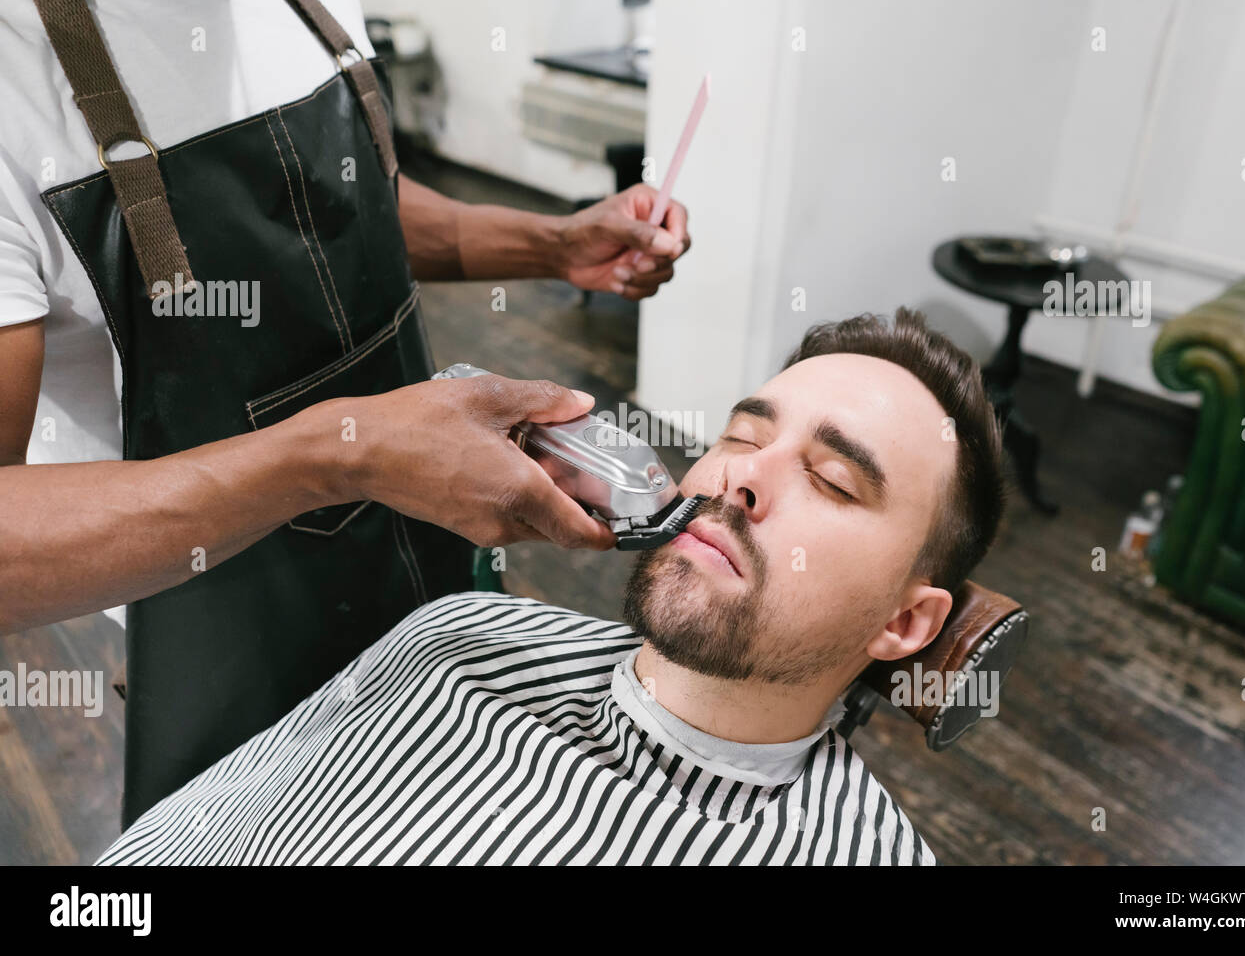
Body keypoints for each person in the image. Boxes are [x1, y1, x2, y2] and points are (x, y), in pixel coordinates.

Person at [0, 0, 690, 826]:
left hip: (430, 558)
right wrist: (340, 456)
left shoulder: (310, 10)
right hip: (223, 626)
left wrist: (551, 245)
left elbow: (339, 203)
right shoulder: (16, 79)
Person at [97, 309, 1005, 865]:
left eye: (835, 481)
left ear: (903, 622)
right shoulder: (450, 639)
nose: (742, 477)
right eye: (739, 435)